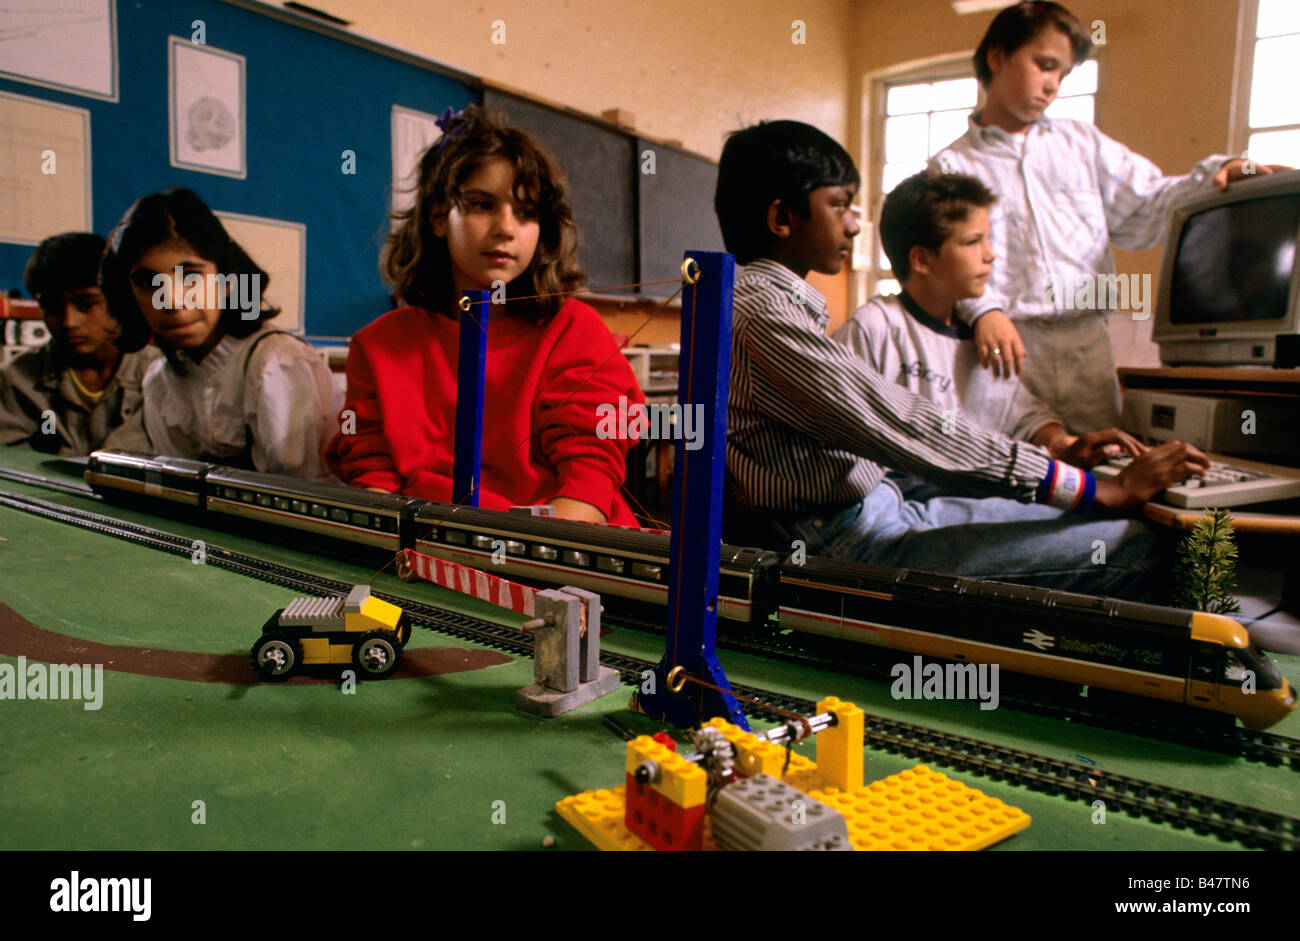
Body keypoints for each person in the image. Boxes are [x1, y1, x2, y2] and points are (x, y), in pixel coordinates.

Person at [717, 119, 1209, 603]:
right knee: (1142, 547)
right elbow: (908, 427)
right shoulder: (772, 315)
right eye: (841, 203)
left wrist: (1064, 452)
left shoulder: (781, 305)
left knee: (1110, 522)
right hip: (842, 537)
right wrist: (1091, 489)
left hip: (879, 507)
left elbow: (1006, 412)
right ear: (782, 218)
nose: (854, 221)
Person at [932, 0, 1288, 431]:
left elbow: (1151, 202)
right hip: (1004, 351)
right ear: (997, 56)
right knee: (1016, 481)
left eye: (1062, 74)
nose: (1052, 85)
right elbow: (944, 261)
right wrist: (984, 310)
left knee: (1104, 476)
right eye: (1044, 65)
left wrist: (1218, 172)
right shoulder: (951, 166)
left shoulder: (1082, 143)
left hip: (1087, 350)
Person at [325, 106, 643, 525]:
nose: (506, 228)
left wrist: (521, 560)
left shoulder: (574, 328)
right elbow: (375, 482)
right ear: (439, 217)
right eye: (481, 205)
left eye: (527, 213)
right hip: (429, 550)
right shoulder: (379, 344)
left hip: (558, 550)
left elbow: (587, 486)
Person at [833, 169, 1145, 474]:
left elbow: (1024, 417)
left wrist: (1061, 443)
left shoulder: (981, 337)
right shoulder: (874, 329)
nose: (990, 255)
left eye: (988, 239)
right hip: (911, 503)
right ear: (922, 260)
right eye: (973, 242)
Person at [99, 188, 339, 478]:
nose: (172, 301)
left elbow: (301, 494)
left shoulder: (274, 364)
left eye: (190, 276)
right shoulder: (158, 381)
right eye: (147, 281)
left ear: (228, 281)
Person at [0, 232, 159, 454]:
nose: (68, 322)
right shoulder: (16, 380)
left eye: (86, 304)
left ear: (117, 301)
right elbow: (11, 466)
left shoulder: (159, 376)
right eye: (51, 306)